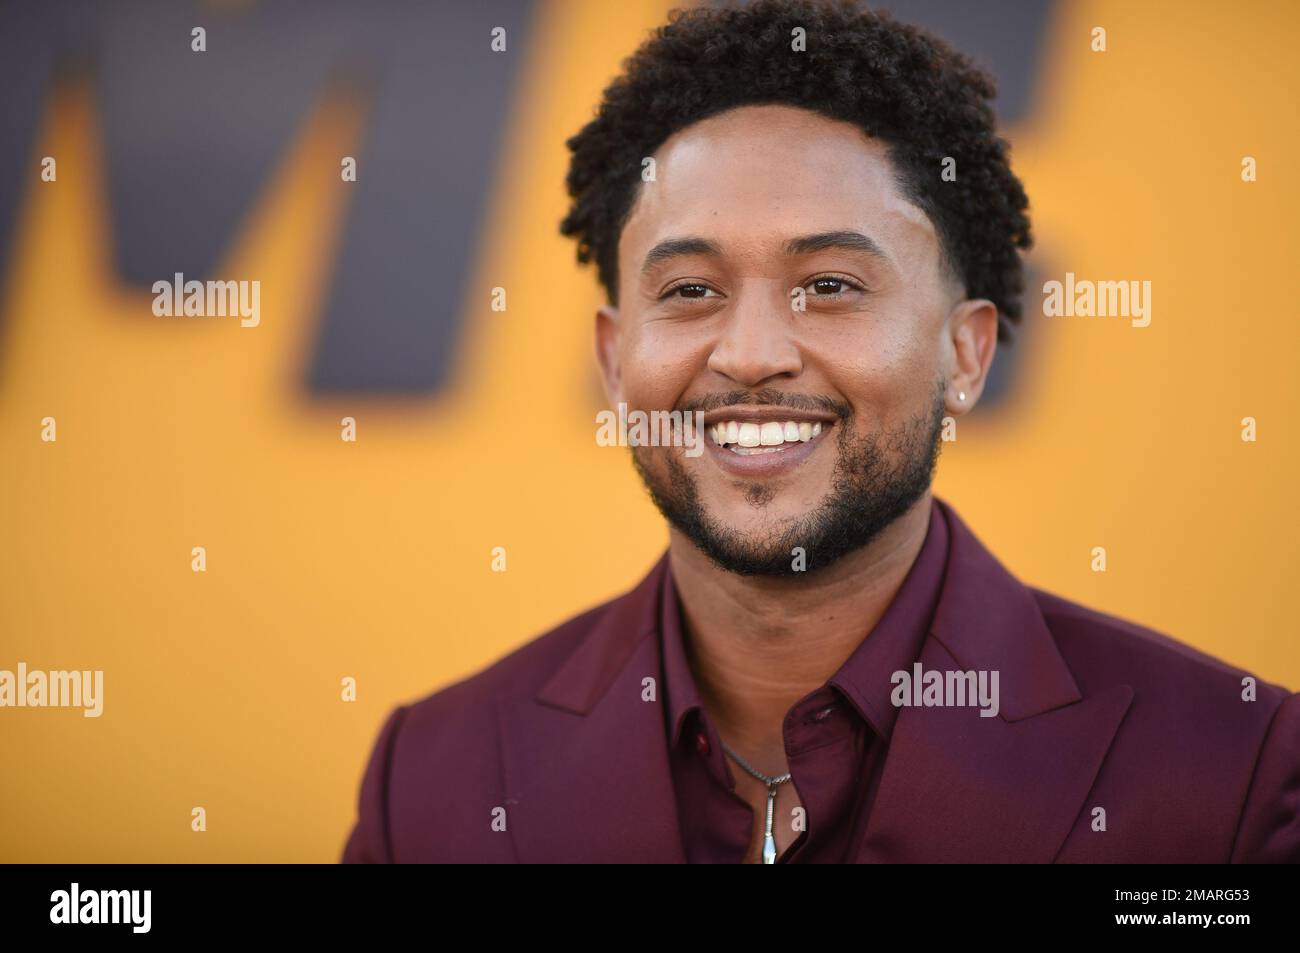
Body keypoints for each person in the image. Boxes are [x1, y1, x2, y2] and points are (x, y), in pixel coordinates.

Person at [342, 0, 1298, 863]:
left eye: (831, 285)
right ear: (613, 359)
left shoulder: (1232, 782)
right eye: (688, 291)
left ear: (965, 355)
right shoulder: (432, 784)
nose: (751, 353)